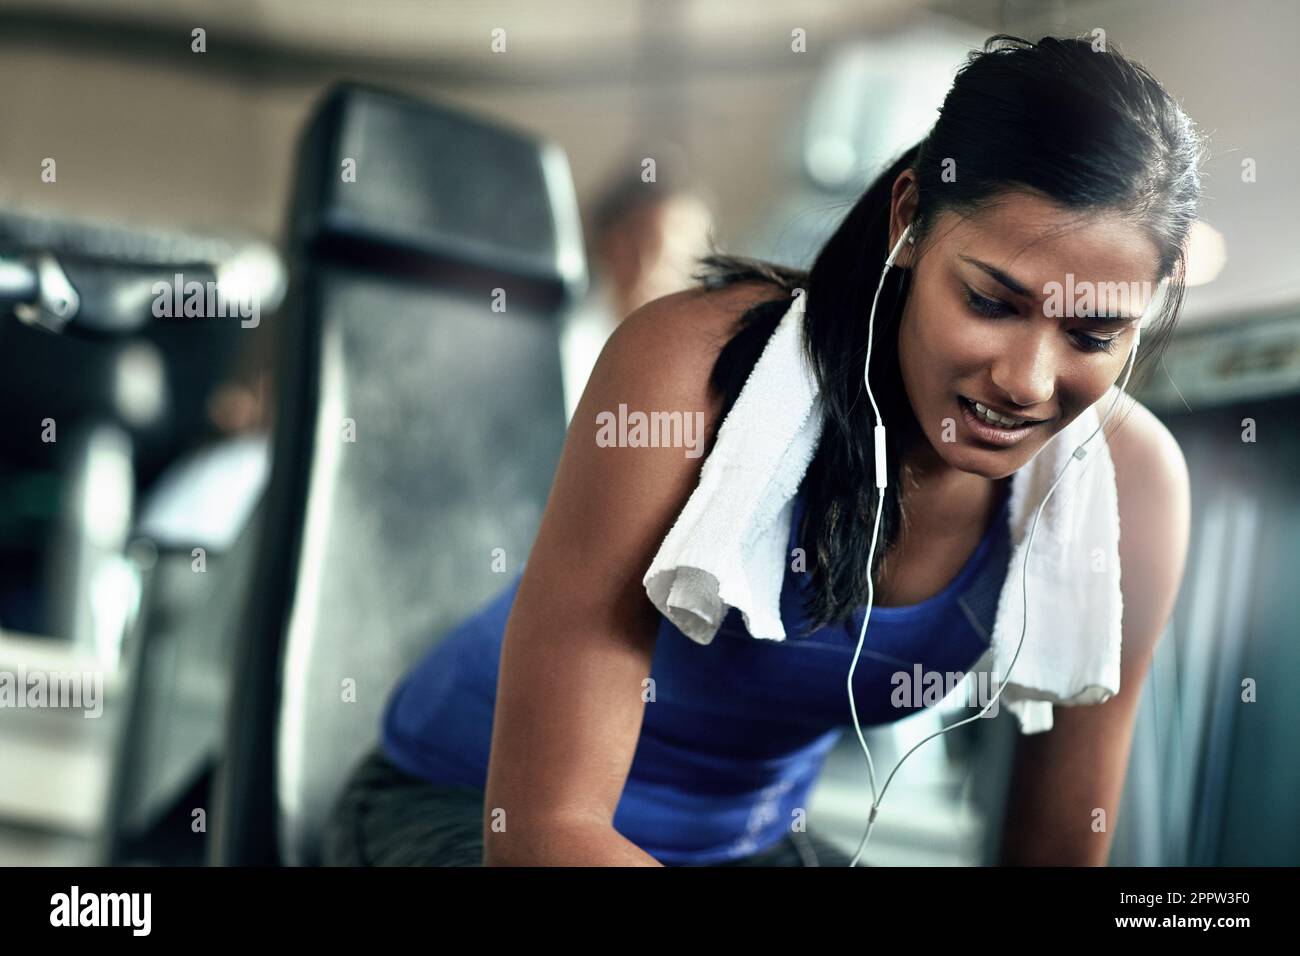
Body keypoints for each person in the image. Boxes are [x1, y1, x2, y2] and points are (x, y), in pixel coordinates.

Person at [323, 34, 1203, 867]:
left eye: (1093, 334)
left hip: (741, 845)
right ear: (909, 221)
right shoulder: (688, 372)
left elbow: (1053, 854)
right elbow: (544, 832)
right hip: (461, 802)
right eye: (990, 303)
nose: (1027, 379)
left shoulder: (1133, 491)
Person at [559, 149, 715, 423]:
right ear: (608, 244)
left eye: (680, 257)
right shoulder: (566, 340)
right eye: (640, 248)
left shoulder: (710, 360)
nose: (652, 270)